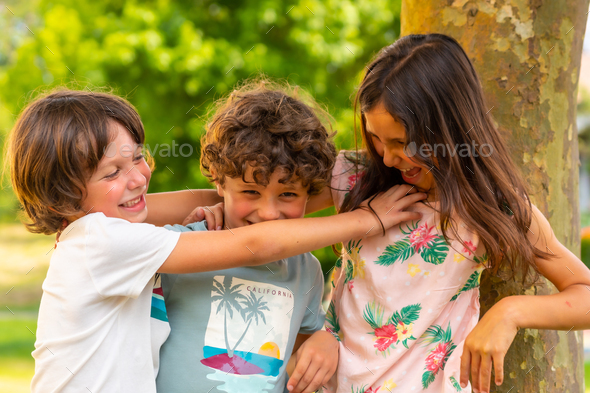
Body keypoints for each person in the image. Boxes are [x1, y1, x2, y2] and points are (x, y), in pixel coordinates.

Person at [6, 88, 426, 393]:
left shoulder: (112, 228)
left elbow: (186, 202)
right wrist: (365, 219)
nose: (136, 178)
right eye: (112, 172)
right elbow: (257, 246)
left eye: (137, 157)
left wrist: (238, 194)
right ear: (64, 191)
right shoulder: (100, 241)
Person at [302, 33, 590, 393]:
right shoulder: (357, 179)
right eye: (376, 138)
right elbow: (262, 208)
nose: (388, 157)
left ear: (448, 131)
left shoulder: (493, 208)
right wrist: (212, 213)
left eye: (401, 143)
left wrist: (511, 312)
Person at [156, 80, 342, 393]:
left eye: (287, 193)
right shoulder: (181, 247)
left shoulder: (305, 270)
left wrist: (328, 341)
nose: (268, 213)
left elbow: (300, 358)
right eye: (250, 191)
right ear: (218, 183)